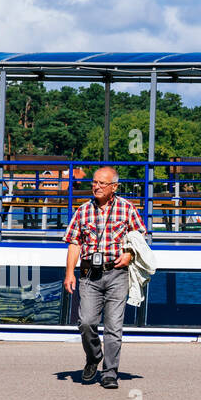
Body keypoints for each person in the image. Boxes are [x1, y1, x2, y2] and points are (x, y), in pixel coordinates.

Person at [63, 166, 147, 388]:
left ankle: (110, 372)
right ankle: (94, 357)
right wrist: (69, 273)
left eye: (102, 183)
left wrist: (129, 254)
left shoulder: (127, 209)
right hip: (89, 274)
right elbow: (74, 242)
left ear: (114, 187)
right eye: (94, 182)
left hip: (117, 274)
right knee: (86, 322)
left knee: (113, 327)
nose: (96, 186)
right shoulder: (82, 211)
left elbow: (141, 237)